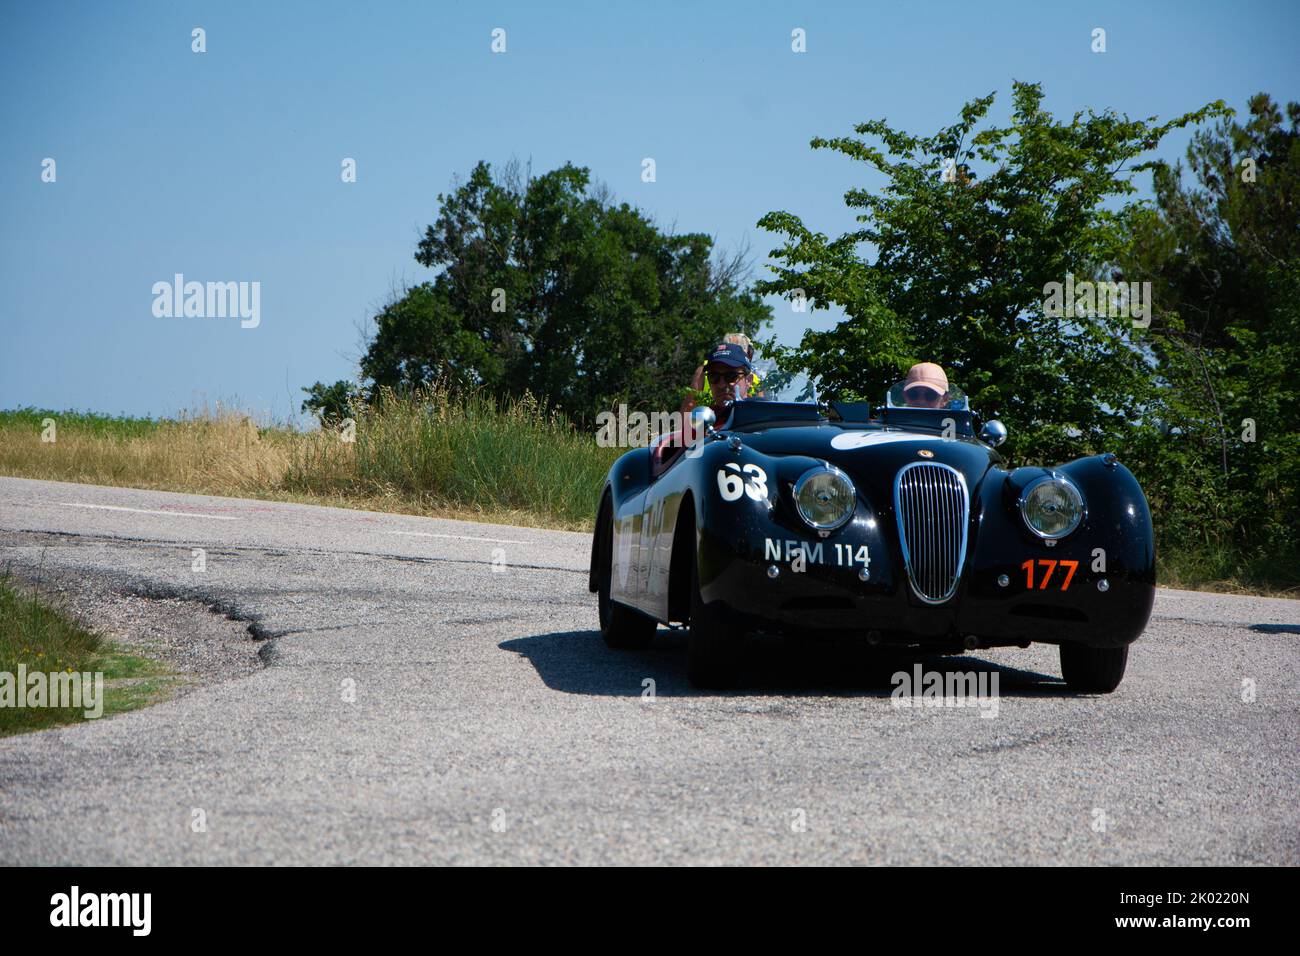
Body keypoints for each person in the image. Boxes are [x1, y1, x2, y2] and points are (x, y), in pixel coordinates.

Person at [679, 333, 762, 420]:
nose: (721, 384)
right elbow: (688, 408)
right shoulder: (703, 371)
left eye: (731, 376)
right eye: (713, 377)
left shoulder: (760, 415)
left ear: (749, 380)